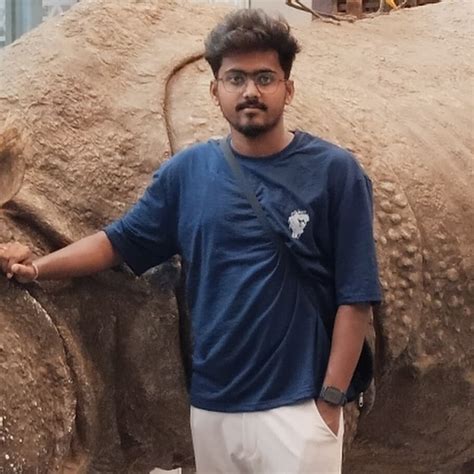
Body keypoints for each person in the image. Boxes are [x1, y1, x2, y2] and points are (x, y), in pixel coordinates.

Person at [0, 9, 381, 474]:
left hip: (298, 408)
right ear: (215, 91)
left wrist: (331, 400)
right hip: (214, 407)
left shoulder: (335, 172)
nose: (250, 91)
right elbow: (118, 242)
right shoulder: (188, 173)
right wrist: (37, 267)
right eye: (236, 79)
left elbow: (356, 295)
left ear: (288, 88)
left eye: (265, 78)